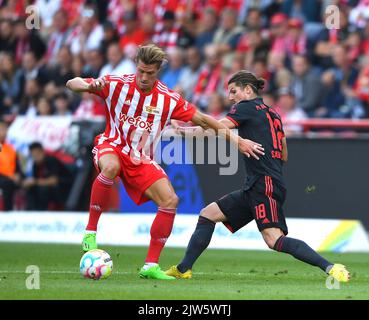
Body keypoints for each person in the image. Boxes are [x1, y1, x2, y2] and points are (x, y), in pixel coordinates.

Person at [66, 44, 264, 280]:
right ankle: (90, 231)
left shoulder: (168, 99)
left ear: (158, 70)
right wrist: (89, 85)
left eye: (150, 73)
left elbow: (203, 119)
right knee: (110, 167)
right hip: (112, 144)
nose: (144, 77)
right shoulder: (116, 83)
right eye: (141, 71)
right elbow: (72, 83)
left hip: (140, 158)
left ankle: (150, 265)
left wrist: (236, 139)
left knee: (170, 200)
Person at [165, 70, 350, 283]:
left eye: (233, 91)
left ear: (247, 89)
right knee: (208, 214)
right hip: (259, 183)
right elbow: (284, 154)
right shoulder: (274, 114)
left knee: (274, 240)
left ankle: (331, 268)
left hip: (264, 183)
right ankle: (183, 268)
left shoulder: (245, 107)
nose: (230, 97)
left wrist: (183, 131)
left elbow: (217, 128)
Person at [22, 142, 73, 211]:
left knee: (44, 189)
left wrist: (35, 181)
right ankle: (32, 210)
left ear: (42, 152)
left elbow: (53, 180)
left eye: (37, 155)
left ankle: (45, 210)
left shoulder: (51, 161)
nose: (35, 158)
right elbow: (37, 180)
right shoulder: (35, 165)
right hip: (47, 187)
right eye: (33, 156)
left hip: (64, 187)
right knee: (31, 188)